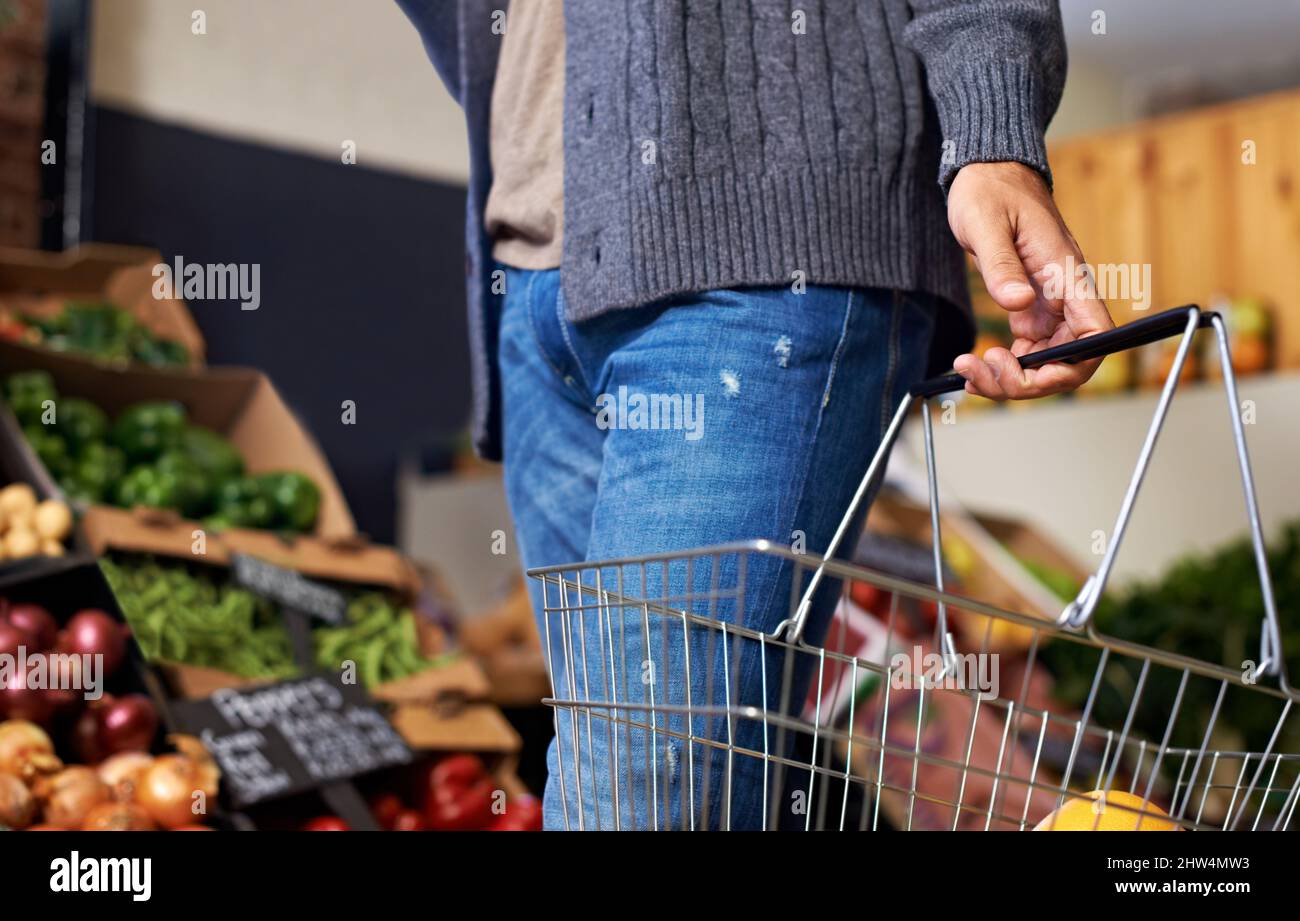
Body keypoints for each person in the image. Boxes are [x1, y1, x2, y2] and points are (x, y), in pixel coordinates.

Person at [397, 0, 1113, 829]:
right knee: (632, 777)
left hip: (766, 236)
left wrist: (990, 129)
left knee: (633, 804)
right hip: (529, 274)